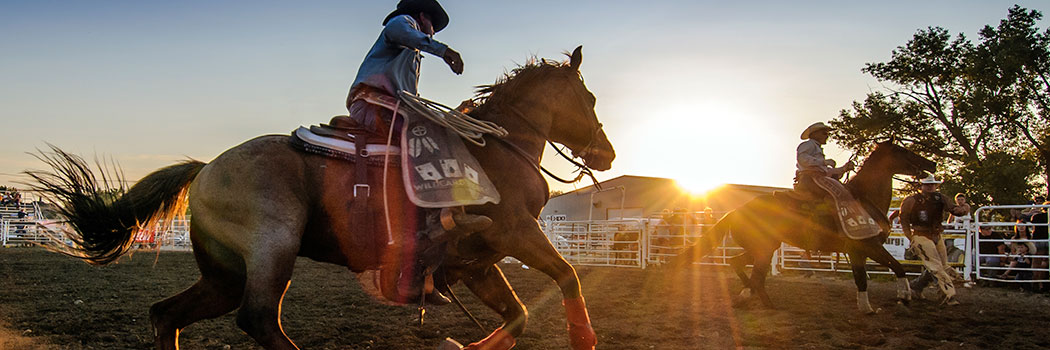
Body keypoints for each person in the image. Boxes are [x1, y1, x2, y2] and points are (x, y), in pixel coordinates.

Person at [345, 0, 490, 303]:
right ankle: (443, 214)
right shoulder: (402, 24)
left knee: (433, 132)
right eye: (432, 25)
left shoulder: (409, 53)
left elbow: (412, 100)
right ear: (423, 16)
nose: (432, 32)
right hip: (373, 102)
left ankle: (429, 232)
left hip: (389, 105)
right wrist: (444, 51)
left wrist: (453, 114)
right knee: (428, 140)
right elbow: (407, 35)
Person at [900, 175, 970, 305]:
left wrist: (964, 208)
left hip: (936, 235)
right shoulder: (912, 200)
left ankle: (915, 286)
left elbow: (954, 210)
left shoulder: (940, 198)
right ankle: (948, 295)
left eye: (932, 184)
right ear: (921, 186)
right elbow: (903, 219)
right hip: (920, 235)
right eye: (927, 184)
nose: (930, 187)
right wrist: (910, 237)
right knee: (936, 266)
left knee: (939, 266)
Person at [794, 122, 854, 200]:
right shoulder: (808, 144)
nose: (827, 136)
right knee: (839, 195)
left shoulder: (816, 147)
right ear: (815, 134)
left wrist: (844, 168)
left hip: (818, 179)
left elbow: (825, 171)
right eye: (824, 133)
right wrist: (823, 162)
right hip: (810, 180)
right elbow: (802, 158)